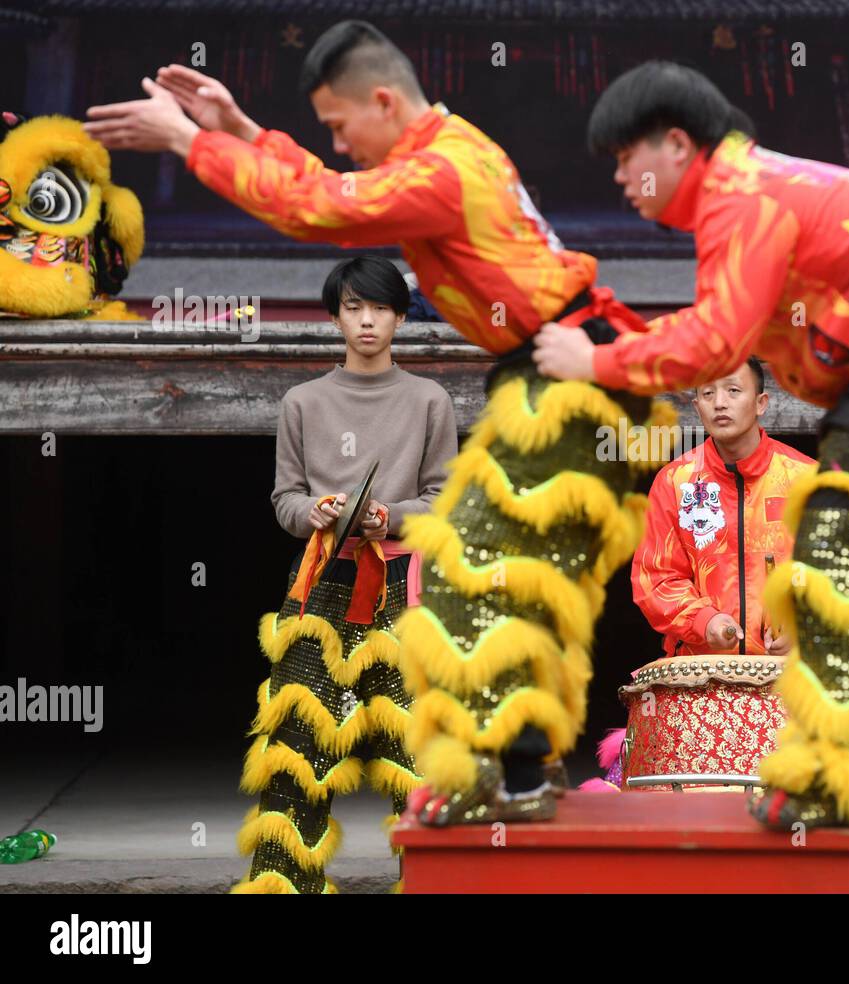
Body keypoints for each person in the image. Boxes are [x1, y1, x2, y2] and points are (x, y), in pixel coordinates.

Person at [86, 21, 675, 829]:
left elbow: (318, 209)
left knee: (481, 576)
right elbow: (331, 184)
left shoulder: (440, 170)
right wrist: (241, 129)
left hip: (575, 373)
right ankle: (521, 767)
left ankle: (521, 766)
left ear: (385, 100)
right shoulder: (443, 145)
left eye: (338, 125)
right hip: (558, 368)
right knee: (481, 576)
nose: (337, 143)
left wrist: (190, 141)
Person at [534, 60, 849, 891]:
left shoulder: (741, 196)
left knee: (836, 571)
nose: (617, 178)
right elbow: (727, 335)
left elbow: (715, 341)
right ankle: (831, 786)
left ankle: (837, 787)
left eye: (623, 157)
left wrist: (597, 360)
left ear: (677, 145)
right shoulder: (754, 194)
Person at [240, 256, 457, 893]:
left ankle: (435, 882)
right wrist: (318, 512)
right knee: (298, 745)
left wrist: (390, 517)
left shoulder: (429, 400)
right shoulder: (302, 402)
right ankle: (285, 885)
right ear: (335, 316)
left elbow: (443, 501)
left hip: (400, 589)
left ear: (399, 317)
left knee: (417, 750)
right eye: (354, 308)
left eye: (381, 309)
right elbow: (284, 501)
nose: (368, 321)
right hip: (320, 584)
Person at [584, 357, 814, 789]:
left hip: (790, 680)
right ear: (696, 404)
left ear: (761, 402)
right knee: (694, 810)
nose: (719, 404)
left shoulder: (805, 480)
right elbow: (655, 577)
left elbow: (835, 575)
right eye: (707, 394)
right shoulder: (676, 482)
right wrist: (705, 622)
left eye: (733, 391)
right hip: (699, 683)